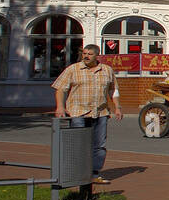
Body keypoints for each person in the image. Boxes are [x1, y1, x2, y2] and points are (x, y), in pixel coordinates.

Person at [52, 43, 123, 185]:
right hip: (78, 111)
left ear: (97, 56)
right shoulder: (73, 69)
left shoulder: (107, 70)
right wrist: (60, 107)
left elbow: (113, 90)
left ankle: (94, 173)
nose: (86, 56)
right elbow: (60, 88)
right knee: (79, 144)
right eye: (84, 53)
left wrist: (117, 107)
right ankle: (78, 173)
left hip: (100, 112)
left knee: (99, 145)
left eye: (90, 54)